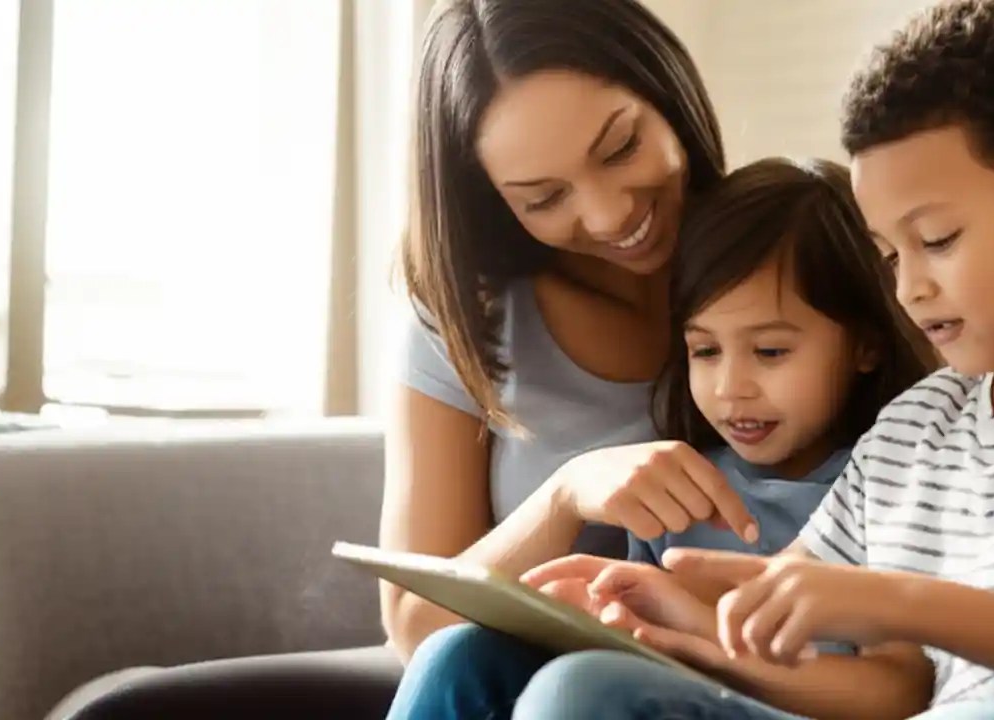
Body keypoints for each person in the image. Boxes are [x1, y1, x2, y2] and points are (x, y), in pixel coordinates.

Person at [58, 0, 994, 716]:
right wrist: (566, 493)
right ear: (487, 201)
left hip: (672, 675)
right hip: (488, 658)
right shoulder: (471, 313)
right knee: (120, 708)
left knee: (580, 692)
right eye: (543, 196)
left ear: (664, 92)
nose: (608, 215)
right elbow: (420, 632)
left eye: (620, 150)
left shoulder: (780, 243)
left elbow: (980, 311)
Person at [501, 1, 994, 718]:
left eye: (938, 241)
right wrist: (677, 620)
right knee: (535, 675)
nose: (911, 288)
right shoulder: (913, 430)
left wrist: (903, 600)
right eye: (890, 255)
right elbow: (892, 677)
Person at [385, 156, 939, 718]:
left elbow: (898, 689)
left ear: (866, 345)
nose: (730, 388)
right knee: (457, 652)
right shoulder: (682, 489)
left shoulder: (889, 481)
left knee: (581, 689)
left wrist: (702, 643)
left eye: (771, 351)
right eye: (705, 351)